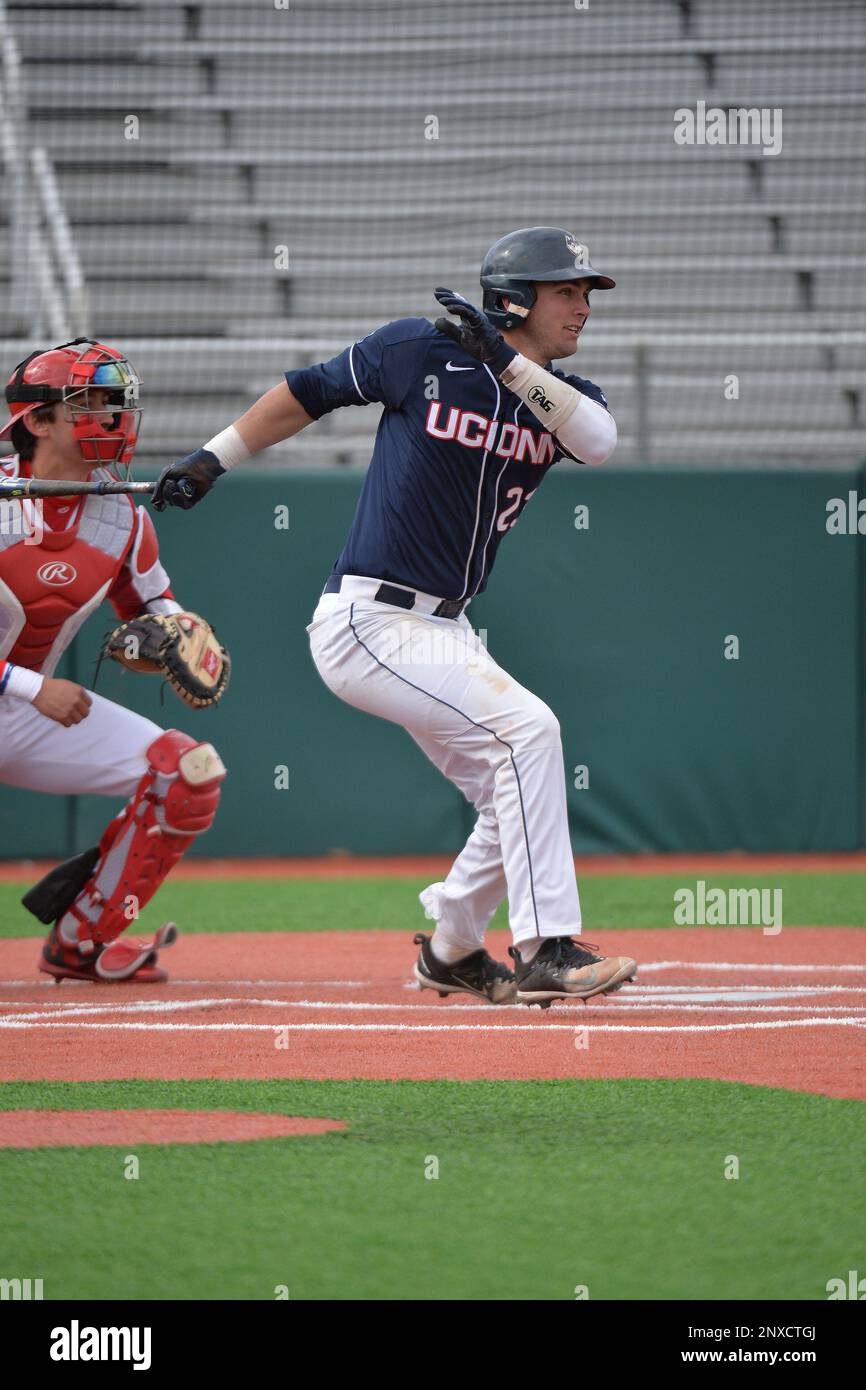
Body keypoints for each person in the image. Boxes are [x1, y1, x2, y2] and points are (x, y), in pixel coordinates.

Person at [153, 227, 636, 1007]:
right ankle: (547, 946)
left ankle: (450, 950)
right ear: (513, 299)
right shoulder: (420, 350)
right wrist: (213, 458)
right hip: (368, 622)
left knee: (510, 788)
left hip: (447, 628)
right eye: (566, 291)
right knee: (531, 732)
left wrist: (508, 361)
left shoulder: (568, 398)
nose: (583, 306)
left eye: (585, 292)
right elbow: (309, 390)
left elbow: (601, 441)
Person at [0, 337, 226, 982]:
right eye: (89, 403)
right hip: (27, 694)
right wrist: (28, 687)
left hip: (21, 708)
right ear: (37, 420)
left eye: (116, 402)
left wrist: (177, 643)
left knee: (189, 771)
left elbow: (158, 615)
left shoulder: (122, 514)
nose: (113, 418)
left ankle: (82, 941)